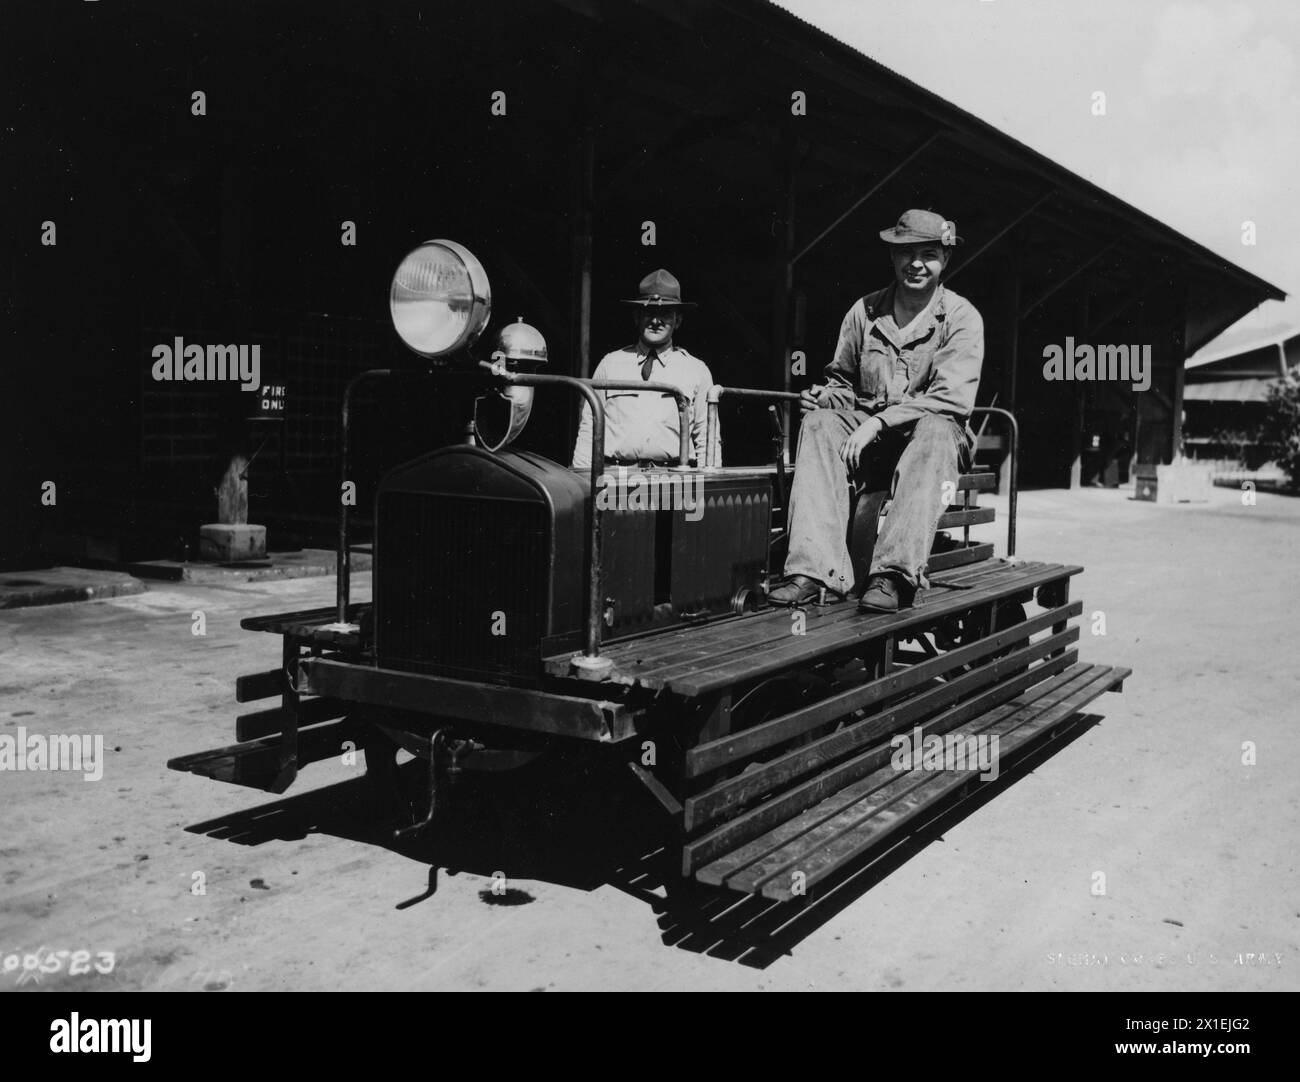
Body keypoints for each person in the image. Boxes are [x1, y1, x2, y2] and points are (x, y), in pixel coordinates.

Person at [768, 209, 984, 613]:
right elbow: (843, 384)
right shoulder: (864, 312)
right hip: (869, 432)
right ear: (892, 255)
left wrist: (879, 422)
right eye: (906, 252)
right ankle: (815, 572)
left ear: (946, 259)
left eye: (928, 253)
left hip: (931, 438)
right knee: (818, 424)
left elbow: (951, 400)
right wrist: (824, 398)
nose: (916, 263)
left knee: (936, 430)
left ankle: (893, 574)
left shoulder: (960, 318)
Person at [571, 269, 716, 470]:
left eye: (665, 313)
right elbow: (589, 427)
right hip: (616, 479)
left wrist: (711, 484)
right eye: (649, 312)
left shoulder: (696, 370)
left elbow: (707, 437)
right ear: (637, 317)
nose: (656, 321)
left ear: (678, 320)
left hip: (674, 480)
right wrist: (581, 477)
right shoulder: (611, 364)